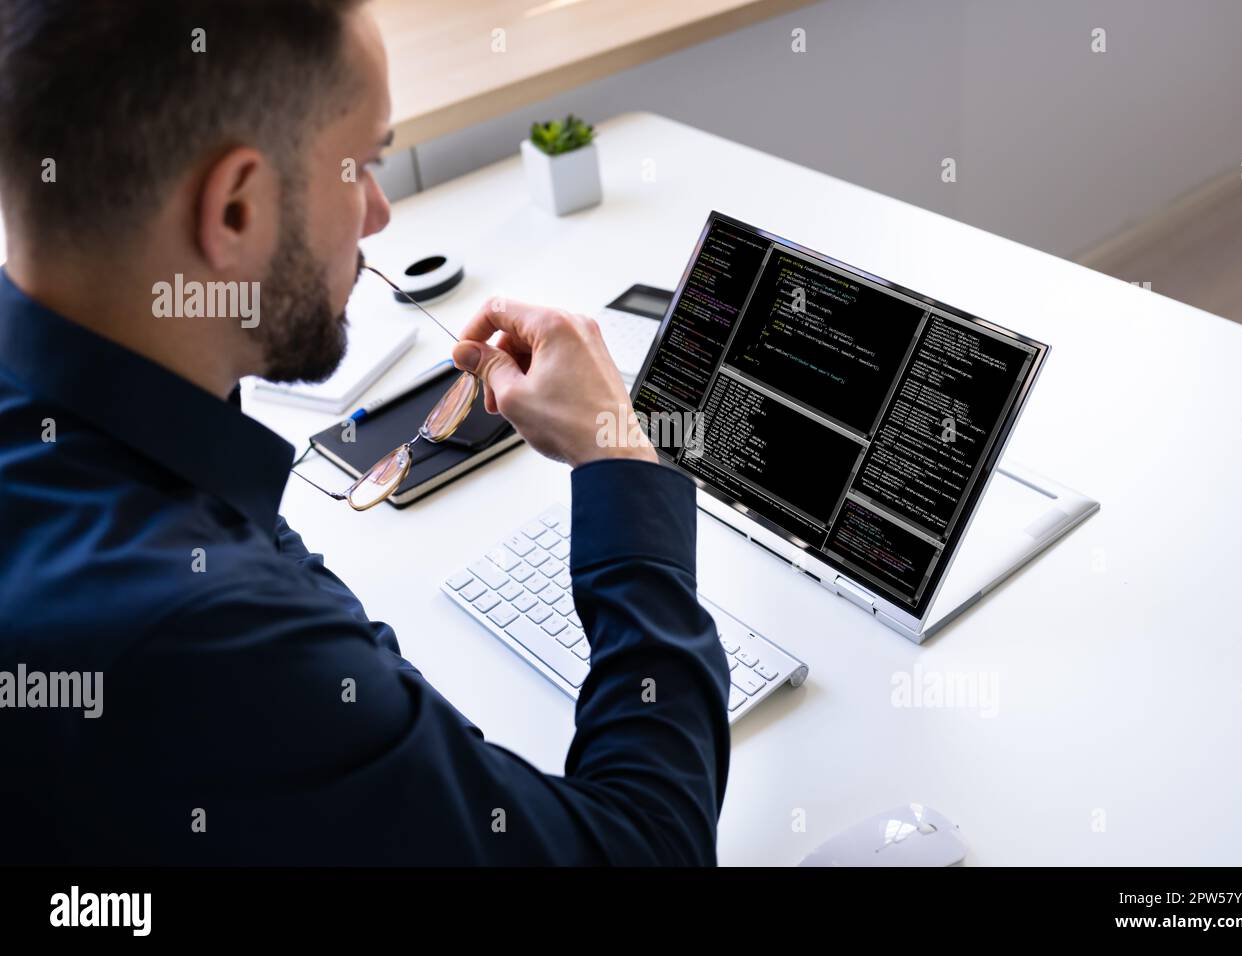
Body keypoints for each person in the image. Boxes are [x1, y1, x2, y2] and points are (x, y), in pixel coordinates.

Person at [0, 0, 730, 864]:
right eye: (362, 168)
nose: (379, 213)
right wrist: (617, 455)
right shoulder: (210, 643)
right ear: (234, 210)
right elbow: (646, 849)